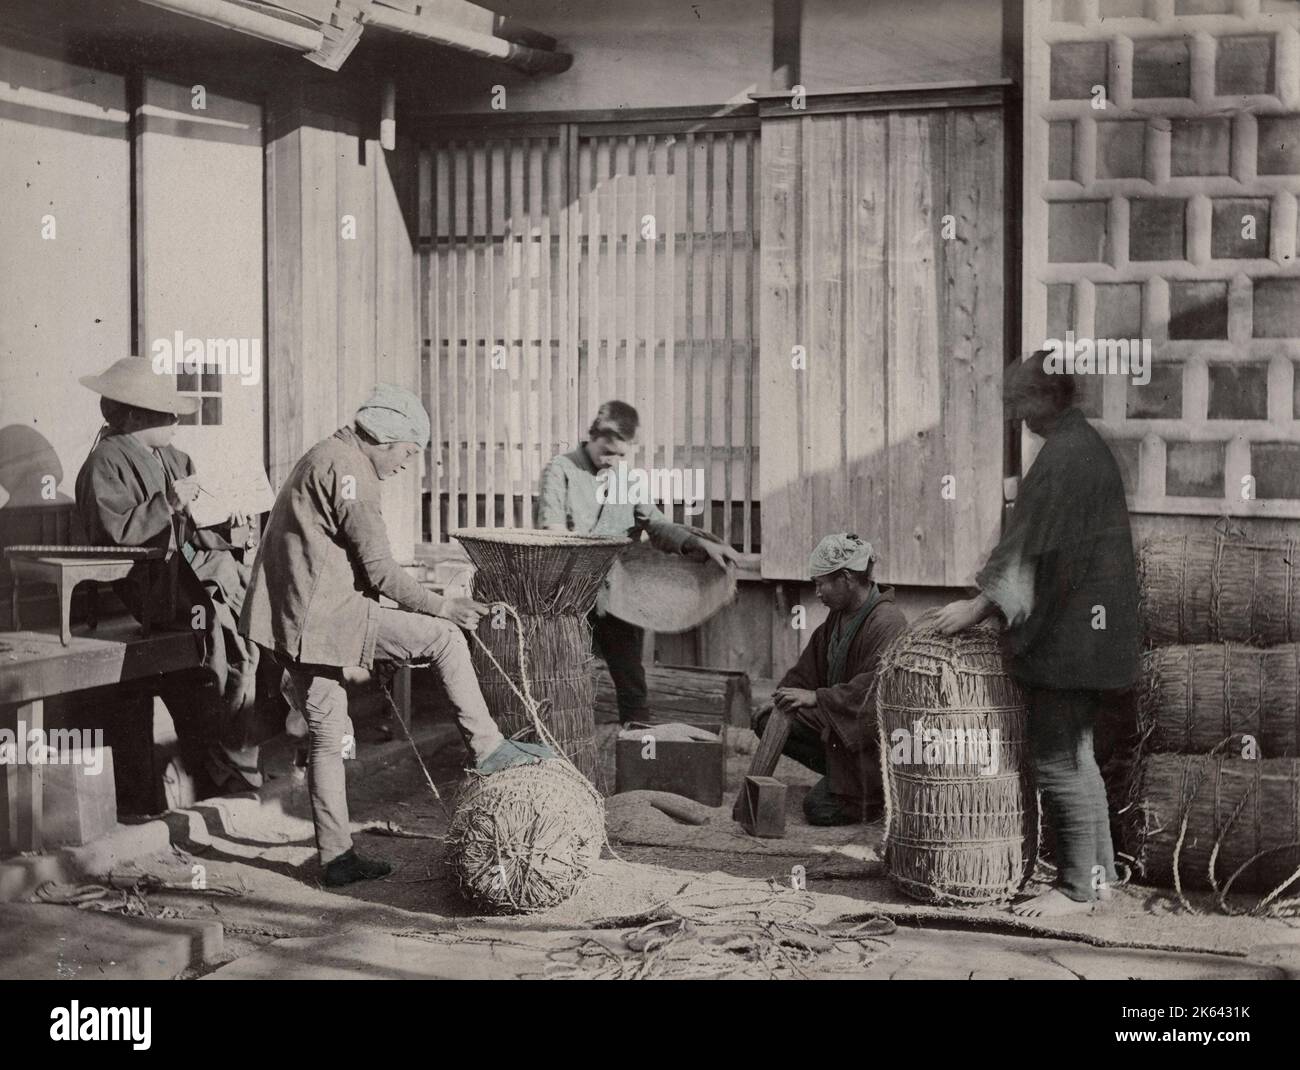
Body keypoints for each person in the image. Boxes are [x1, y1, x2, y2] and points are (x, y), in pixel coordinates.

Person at [240, 384, 550, 887]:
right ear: (385, 440)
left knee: (327, 734)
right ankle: (489, 747)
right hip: (325, 616)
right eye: (408, 453)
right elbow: (381, 571)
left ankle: (336, 856)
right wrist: (443, 605)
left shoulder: (323, 453)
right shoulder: (350, 472)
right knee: (445, 637)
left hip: (295, 617)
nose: (408, 465)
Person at [933, 351, 1140, 917]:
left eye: (1020, 400)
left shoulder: (1066, 456)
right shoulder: (1082, 446)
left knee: (1057, 759)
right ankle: (1098, 879)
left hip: (1075, 640)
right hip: (1096, 634)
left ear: (1052, 398)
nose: (1015, 413)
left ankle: (1074, 888)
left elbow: (1028, 548)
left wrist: (977, 608)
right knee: (1080, 756)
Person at [74, 356, 263, 801]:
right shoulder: (104, 463)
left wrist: (233, 523)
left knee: (260, 623)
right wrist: (167, 505)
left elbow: (202, 529)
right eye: (167, 413)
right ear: (134, 416)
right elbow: (112, 535)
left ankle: (233, 758)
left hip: (196, 569)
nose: (178, 421)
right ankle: (221, 768)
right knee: (216, 640)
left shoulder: (176, 457)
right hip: (149, 584)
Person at [536, 400, 739, 724]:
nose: (612, 461)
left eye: (620, 455)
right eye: (606, 451)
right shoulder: (561, 469)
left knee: (630, 673)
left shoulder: (627, 480)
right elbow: (553, 530)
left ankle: (638, 742)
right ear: (592, 436)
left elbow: (656, 525)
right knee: (564, 672)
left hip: (618, 591)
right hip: (567, 590)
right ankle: (559, 741)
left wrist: (696, 543)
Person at [751, 534, 907, 825]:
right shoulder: (838, 617)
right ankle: (840, 779)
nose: (818, 592)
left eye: (821, 583)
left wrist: (818, 698)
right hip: (841, 727)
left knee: (819, 809)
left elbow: (877, 692)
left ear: (846, 578)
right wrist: (780, 700)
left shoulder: (888, 622)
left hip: (872, 748)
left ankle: (874, 797)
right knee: (769, 721)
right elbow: (807, 671)